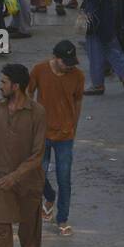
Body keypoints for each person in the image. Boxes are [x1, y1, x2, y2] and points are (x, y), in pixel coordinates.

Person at [0, 64, 47, 247]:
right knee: (0, 231)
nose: (0, 86)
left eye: (4, 82)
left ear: (17, 85)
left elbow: (38, 154)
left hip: (28, 181)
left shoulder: (37, 113)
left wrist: (16, 176)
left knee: (29, 231)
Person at [29, 42, 85, 237]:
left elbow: (78, 101)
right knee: (39, 174)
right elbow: (28, 93)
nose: (69, 66)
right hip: (42, 133)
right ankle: (49, 196)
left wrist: (74, 126)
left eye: (72, 62)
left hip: (65, 136)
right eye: (65, 62)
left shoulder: (78, 76)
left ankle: (62, 219)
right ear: (55, 57)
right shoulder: (39, 70)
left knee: (65, 179)